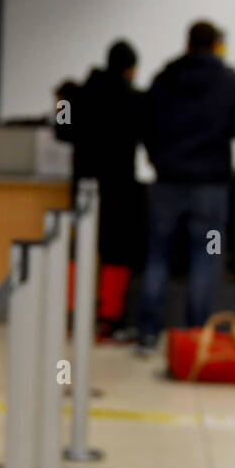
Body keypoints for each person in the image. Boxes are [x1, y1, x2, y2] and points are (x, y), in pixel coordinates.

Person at [137, 21, 235, 355]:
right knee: (206, 260)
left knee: (158, 256)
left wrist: (158, 160)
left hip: (167, 183)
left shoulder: (163, 80)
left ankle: (148, 333)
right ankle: (196, 335)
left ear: (188, 43)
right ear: (218, 45)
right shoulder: (231, 82)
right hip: (211, 187)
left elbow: (145, 124)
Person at [60, 40, 147, 336]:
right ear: (130, 69)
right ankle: (109, 318)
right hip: (120, 187)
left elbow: (62, 131)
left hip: (84, 183)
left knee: (81, 247)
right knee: (117, 252)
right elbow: (145, 135)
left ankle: (72, 312)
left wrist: (64, 101)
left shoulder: (79, 94)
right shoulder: (134, 99)